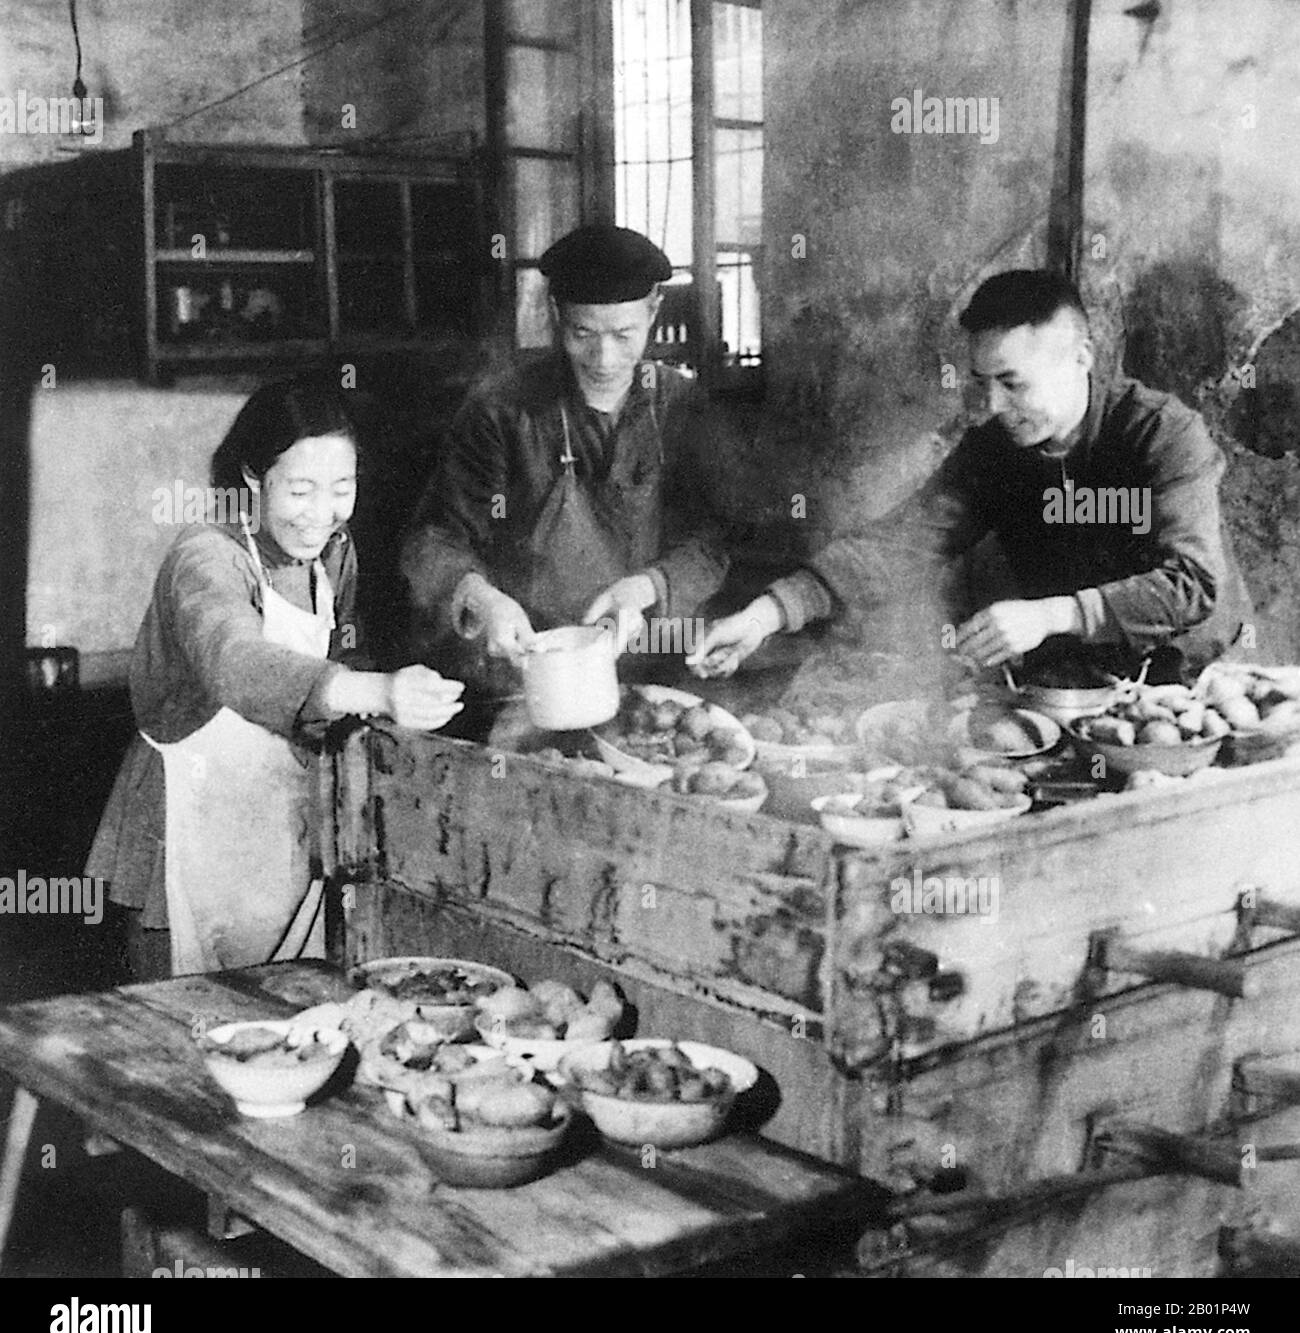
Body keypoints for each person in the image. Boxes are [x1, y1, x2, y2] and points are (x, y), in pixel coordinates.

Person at [687, 270, 1253, 685]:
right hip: (1076, 682)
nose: (993, 405)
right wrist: (768, 613)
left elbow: (1192, 583)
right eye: (982, 382)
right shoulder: (995, 448)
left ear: (1082, 356)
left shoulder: (1164, 435)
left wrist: (1053, 615)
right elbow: (901, 543)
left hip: (1192, 681)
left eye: (1013, 383)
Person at [87, 374, 465, 980]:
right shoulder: (206, 556)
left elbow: (345, 651)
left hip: (282, 823)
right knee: (189, 1028)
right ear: (251, 478)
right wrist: (378, 691)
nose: (322, 514)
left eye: (343, 488)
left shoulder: (334, 556)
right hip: (189, 827)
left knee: (288, 1018)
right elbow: (235, 661)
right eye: (300, 490)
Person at [401, 224, 729, 699]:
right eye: (582, 333)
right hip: (525, 660)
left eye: (624, 334)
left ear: (654, 310)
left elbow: (710, 543)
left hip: (649, 657)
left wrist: (645, 589)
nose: (603, 357)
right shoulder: (503, 410)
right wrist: (481, 598)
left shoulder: (682, 406)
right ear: (557, 314)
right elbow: (434, 539)